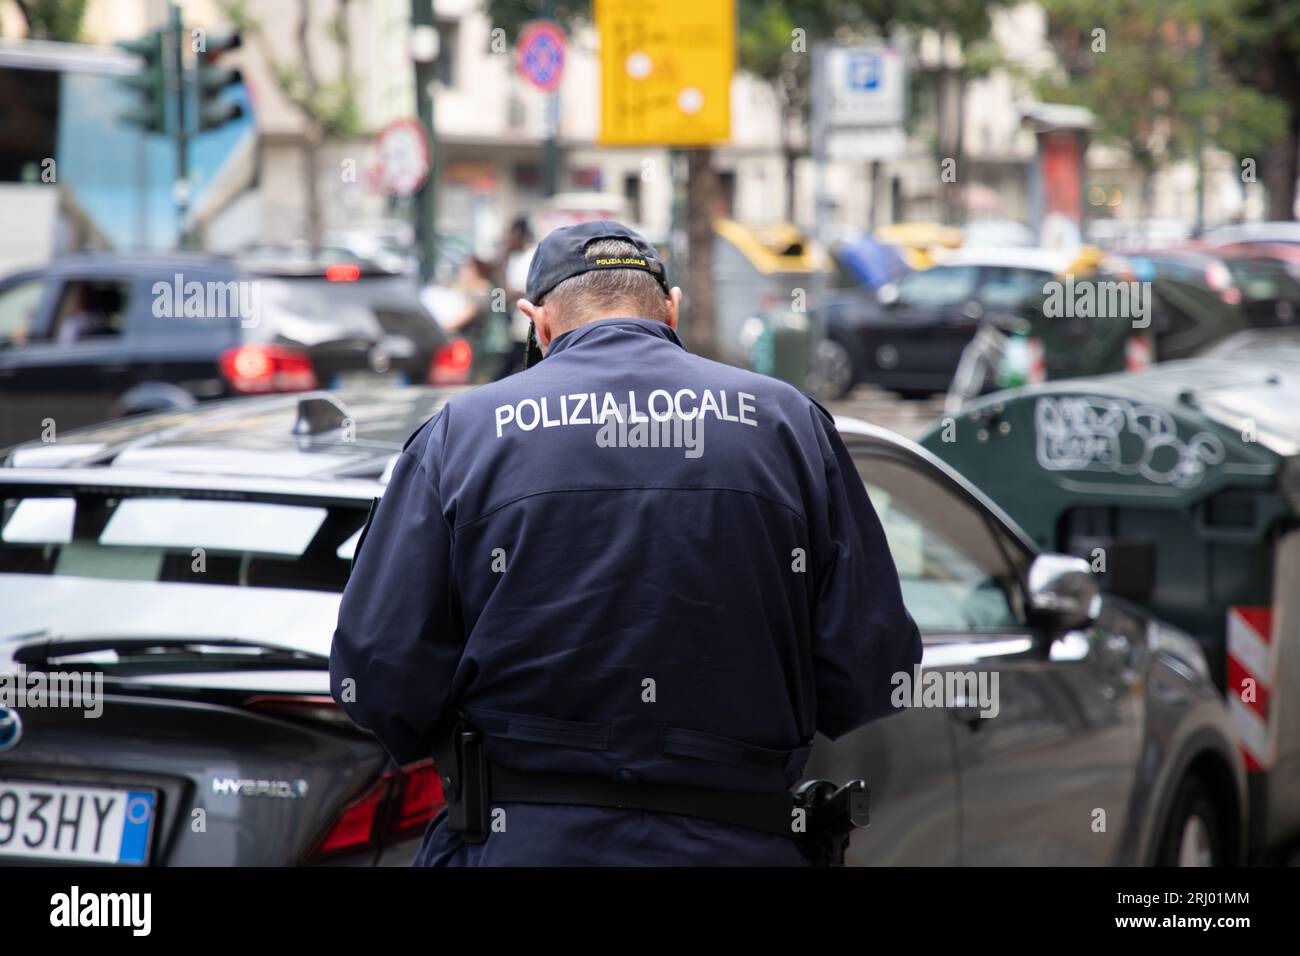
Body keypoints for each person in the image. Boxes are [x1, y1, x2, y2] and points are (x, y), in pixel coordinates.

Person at [330, 220, 921, 866]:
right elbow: (873, 671)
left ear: (538, 323)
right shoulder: (788, 426)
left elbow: (378, 677)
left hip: (520, 845)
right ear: (671, 309)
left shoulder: (460, 436)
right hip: (738, 845)